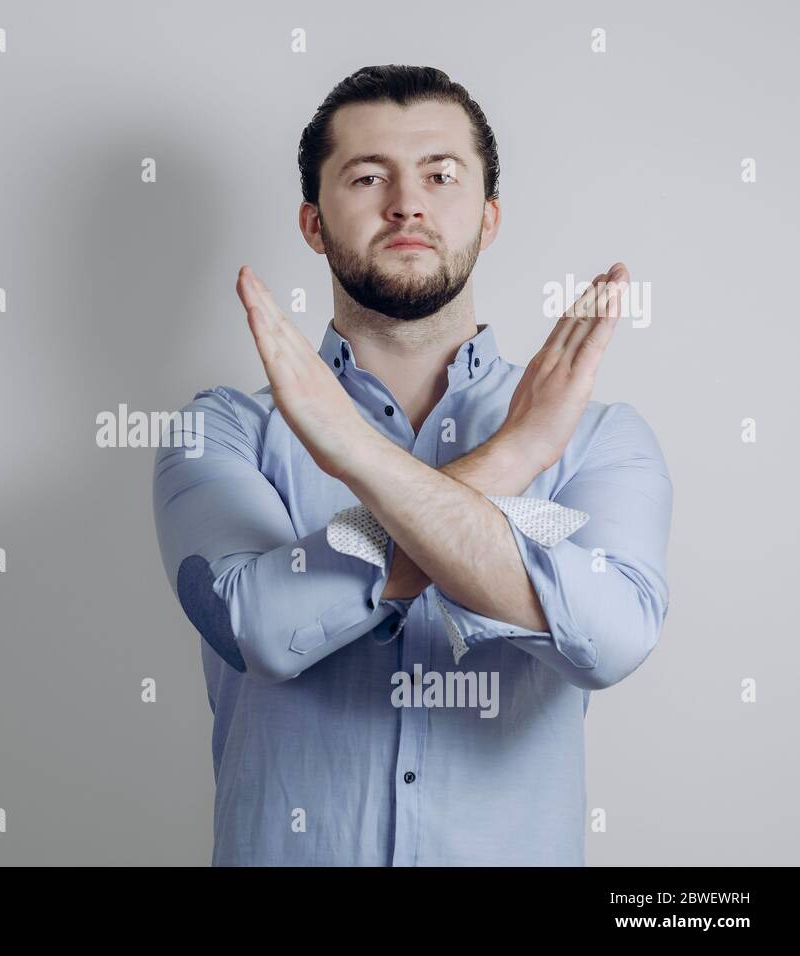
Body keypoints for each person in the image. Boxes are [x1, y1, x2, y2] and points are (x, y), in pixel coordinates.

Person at [150, 65, 672, 866]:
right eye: (367, 177)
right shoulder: (221, 430)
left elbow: (609, 640)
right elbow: (261, 628)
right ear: (313, 222)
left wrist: (355, 459)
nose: (408, 203)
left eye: (441, 174)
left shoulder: (599, 439)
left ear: (488, 217)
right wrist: (509, 464)